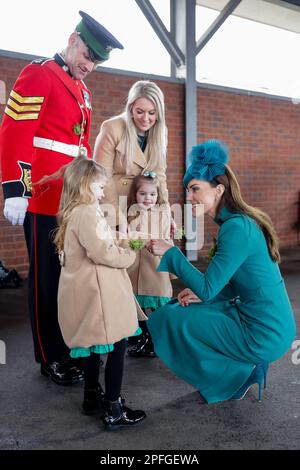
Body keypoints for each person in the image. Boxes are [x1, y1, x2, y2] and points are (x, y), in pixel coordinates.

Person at [0, 11, 124, 385]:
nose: (90, 66)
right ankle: (49, 357)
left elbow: (81, 147)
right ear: (72, 39)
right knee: (46, 279)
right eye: (87, 56)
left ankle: (70, 347)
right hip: (40, 197)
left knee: (70, 278)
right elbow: (14, 131)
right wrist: (15, 189)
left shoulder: (84, 92)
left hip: (71, 200)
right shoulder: (39, 74)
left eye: (96, 62)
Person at [147, 140, 296, 404]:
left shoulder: (236, 228)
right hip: (265, 322)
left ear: (218, 190)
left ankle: (241, 371)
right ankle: (245, 369)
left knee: (170, 319)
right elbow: (230, 286)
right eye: (187, 190)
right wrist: (202, 296)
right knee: (178, 309)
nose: (188, 196)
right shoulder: (237, 223)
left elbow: (208, 288)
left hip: (263, 332)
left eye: (195, 189)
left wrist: (172, 253)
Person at [55, 156, 147, 430]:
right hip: (100, 295)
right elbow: (101, 251)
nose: (102, 191)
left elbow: (103, 236)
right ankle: (114, 408)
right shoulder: (86, 212)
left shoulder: (78, 211)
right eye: (98, 186)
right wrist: (130, 254)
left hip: (89, 292)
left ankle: (91, 397)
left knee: (96, 347)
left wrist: (127, 238)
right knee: (118, 345)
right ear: (83, 184)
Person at [93, 80, 171, 231]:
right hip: (115, 203)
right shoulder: (112, 127)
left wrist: (166, 214)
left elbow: (160, 176)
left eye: (152, 113)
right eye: (140, 111)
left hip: (146, 207)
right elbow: (101, 177)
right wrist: (117, 219)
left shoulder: (161, 132)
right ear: (130, 108)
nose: (145, 118)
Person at [125, 172, 174, 358]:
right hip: (135, 266)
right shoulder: (130, 213)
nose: (148, 198)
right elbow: (128, 238)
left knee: (158, 305)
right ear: (135, 194)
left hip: (156, 265)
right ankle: (147, 339)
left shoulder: (163, 213)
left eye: (152, 194)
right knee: (137, 305)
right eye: (143, 194)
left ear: (158, 195)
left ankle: (160, 340)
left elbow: (168, 240)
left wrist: (171, 266)